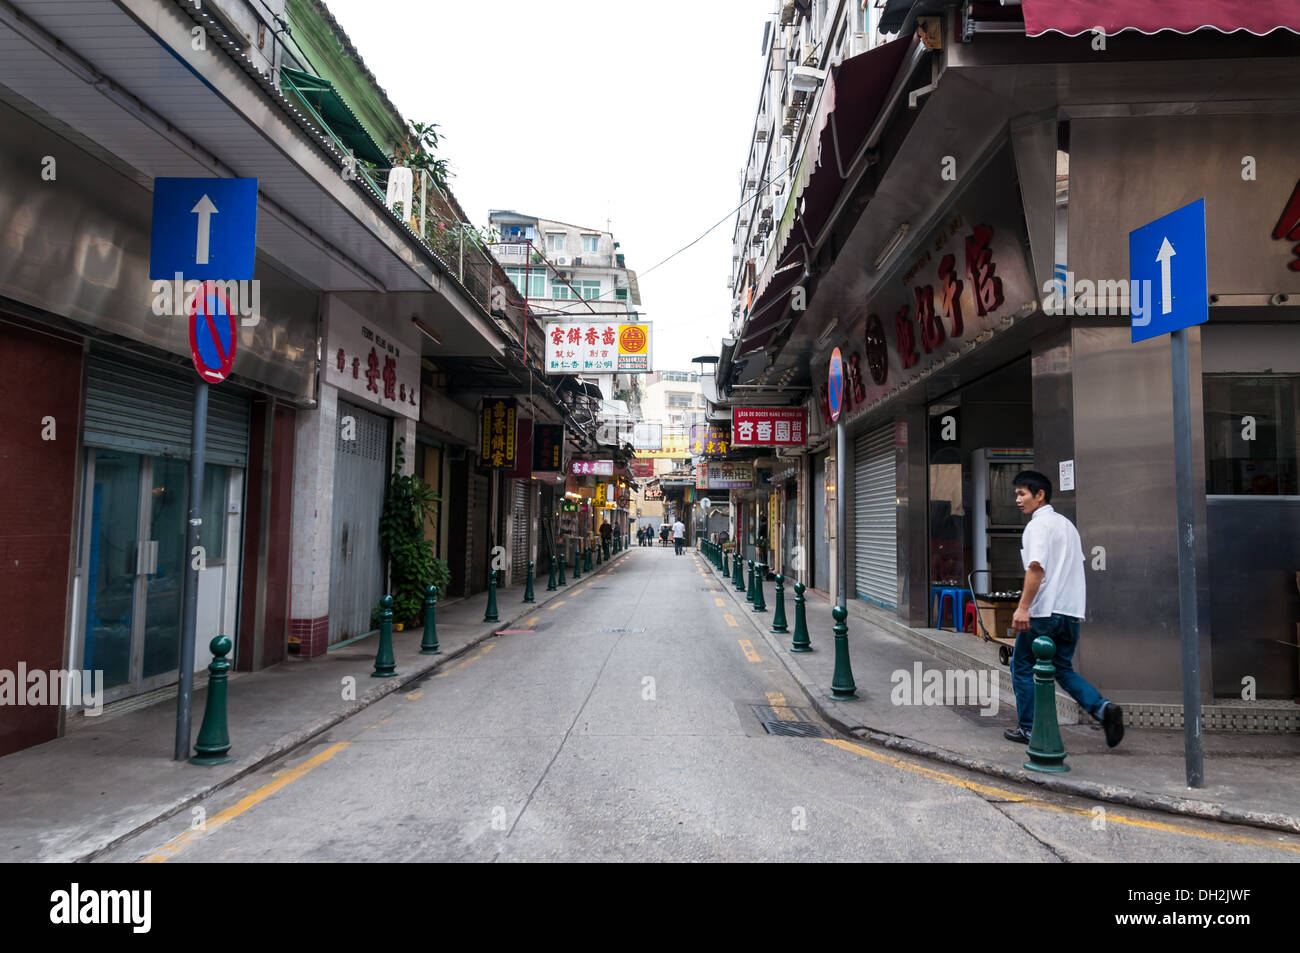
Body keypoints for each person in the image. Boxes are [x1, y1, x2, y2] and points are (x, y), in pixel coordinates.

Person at [1005, 470, 1123, 748]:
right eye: (1017, 495)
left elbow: (1036, 568)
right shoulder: (1068, 526)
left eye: (1022, 494)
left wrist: (1023, 609)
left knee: (1021, 665)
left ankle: (1029, 728)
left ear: (1040, 495)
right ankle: (1102, 708)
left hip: (1044, 612)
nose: (1018, 500)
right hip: (1070, 612)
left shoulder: (1037, 527)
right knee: (1061, 667)